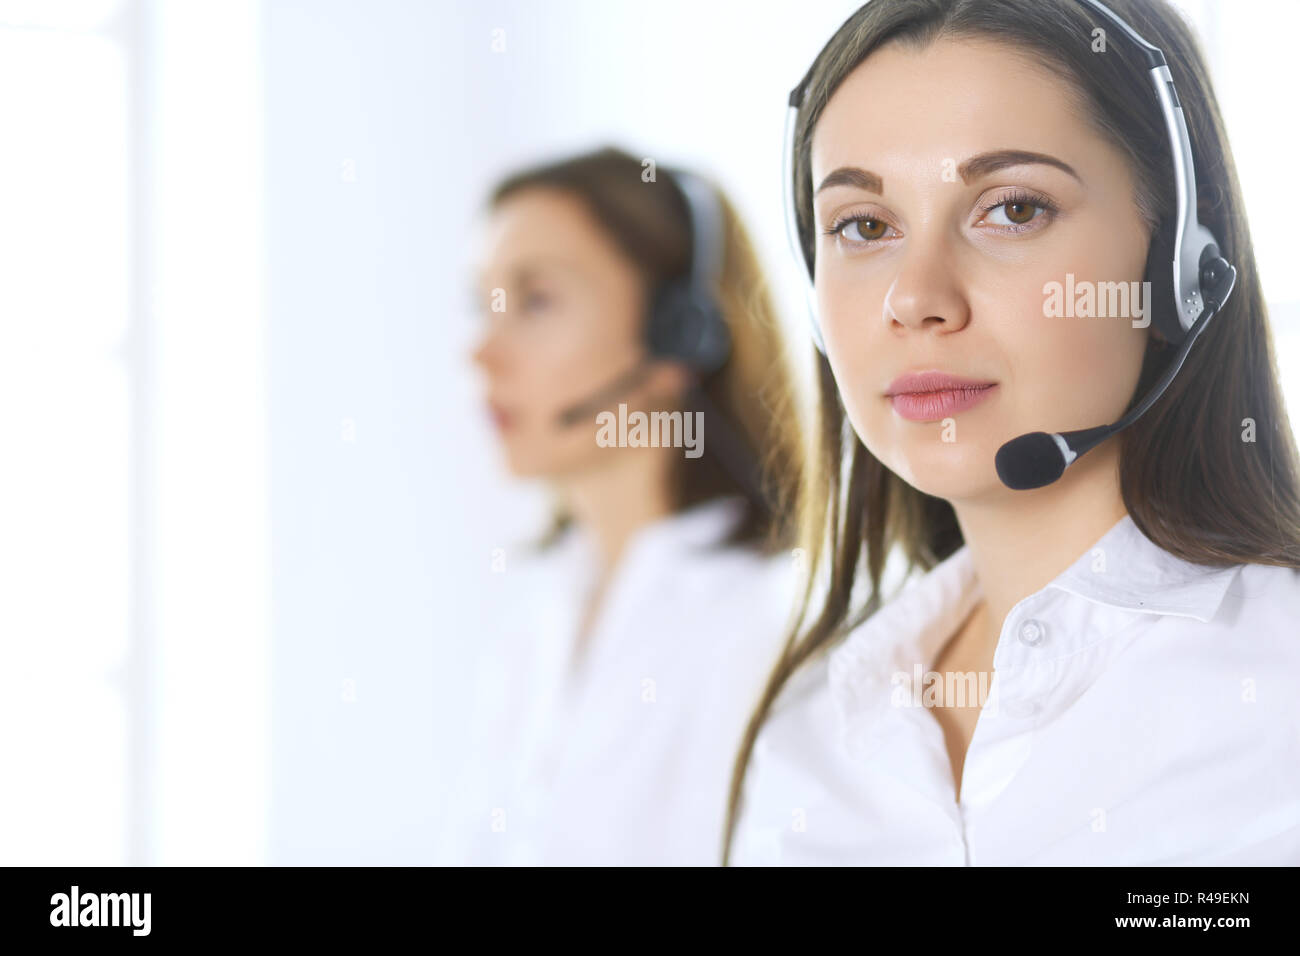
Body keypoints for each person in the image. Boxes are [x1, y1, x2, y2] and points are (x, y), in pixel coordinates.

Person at [724, 0, 1300, 865]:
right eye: (864, 226)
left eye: (1014, 209)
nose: (915, 297)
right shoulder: (807, 733)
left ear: (1182, 260)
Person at [438, 146, 804, 865]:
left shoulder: (766, 628)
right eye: (485, 304)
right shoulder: (540, 613)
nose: (481, 352)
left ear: (679, 334)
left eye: (535, 301)